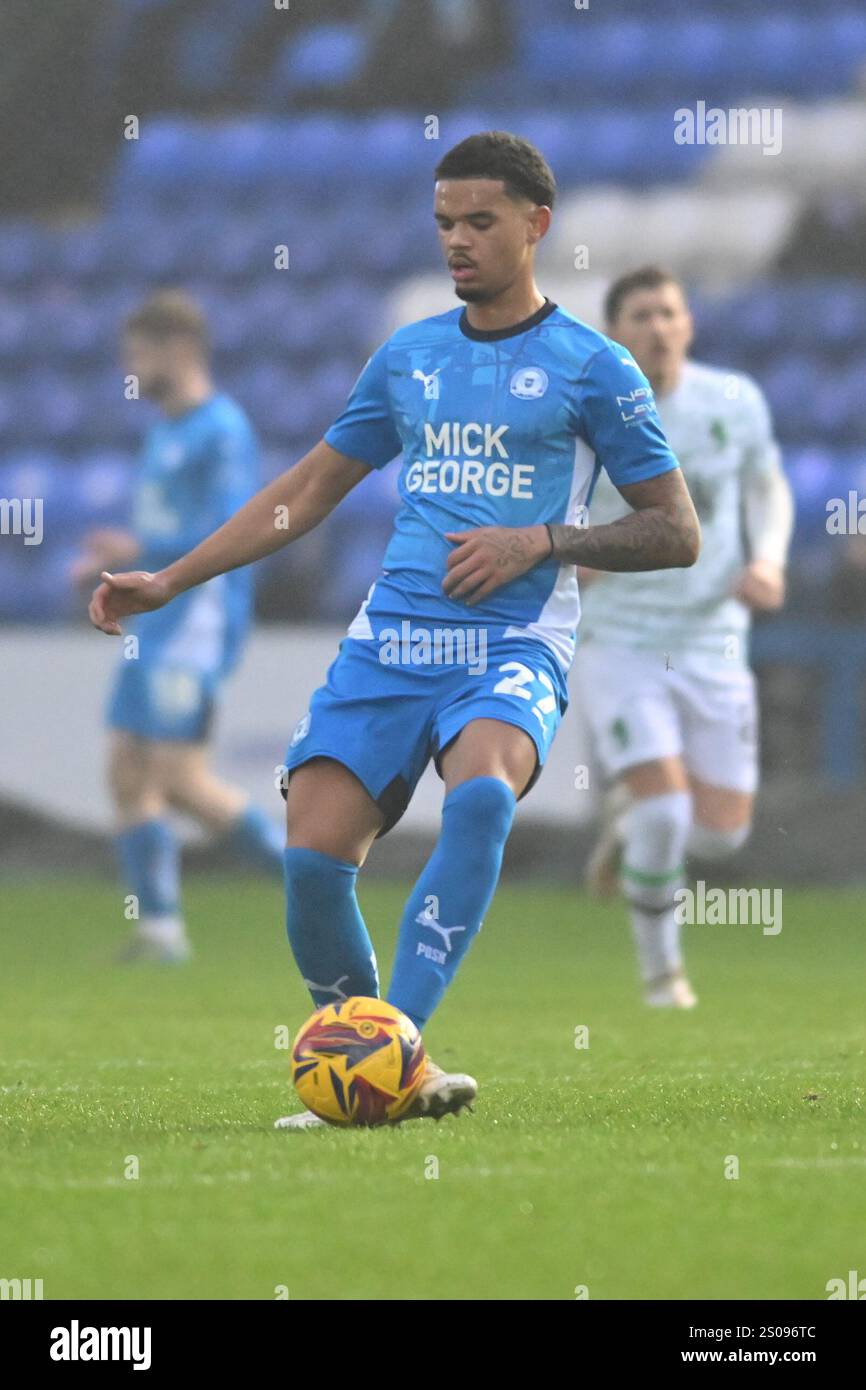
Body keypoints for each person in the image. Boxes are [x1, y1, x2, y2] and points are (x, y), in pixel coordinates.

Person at [89, 135, 699, 1126]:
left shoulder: (595, 368)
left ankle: (386, 1061)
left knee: (481, 800)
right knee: (311, 856)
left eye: (479, 222)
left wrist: (540, 538)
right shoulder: (408, 357)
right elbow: (306, 491)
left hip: (510, 642)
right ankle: (375, 1062)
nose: (457, 241)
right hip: (391, 642)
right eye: (443, 224)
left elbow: (675, 530)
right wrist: (172, 576)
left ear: (536, 225)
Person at [573, 266, 793, 1008]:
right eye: (640, 316)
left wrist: (767, 559)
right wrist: (575, 552)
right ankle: (663, 977)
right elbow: (551, 504)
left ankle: (632, 824)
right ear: (616, 335)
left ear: (688, 324)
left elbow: (766, 486)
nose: (658, 327)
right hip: (619, 639)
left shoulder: (732, 400)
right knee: (669, 812)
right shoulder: (590, 414)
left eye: (668, 313)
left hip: (713, 639)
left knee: (722, 834)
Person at [75, 291, 284, 963]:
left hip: (197, 615)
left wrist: (138, 556)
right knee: (128, 768)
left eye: (139, 352)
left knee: (180, 779)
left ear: (181, 349)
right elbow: (170, 527)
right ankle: (161, 930)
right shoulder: (165, 428)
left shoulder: (221, 429)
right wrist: (128, 549)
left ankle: (309, 882)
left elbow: (228, 530)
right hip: (155, 620)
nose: (130, 366)